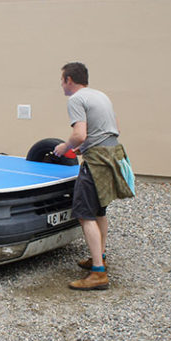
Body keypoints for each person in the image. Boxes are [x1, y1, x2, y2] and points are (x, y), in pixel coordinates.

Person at [53, 62, 134, 291]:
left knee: (84, 214)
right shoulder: (100, 95)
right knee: (99, 211)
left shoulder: (76, 99)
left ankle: (98, 273)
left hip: (97, 161)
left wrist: (65, 147)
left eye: (62, 80)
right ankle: (100, 257)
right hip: (112, 155)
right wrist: (86, 146)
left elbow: (79, 133)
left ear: (69, 80)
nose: (61, 85)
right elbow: (113, 128)